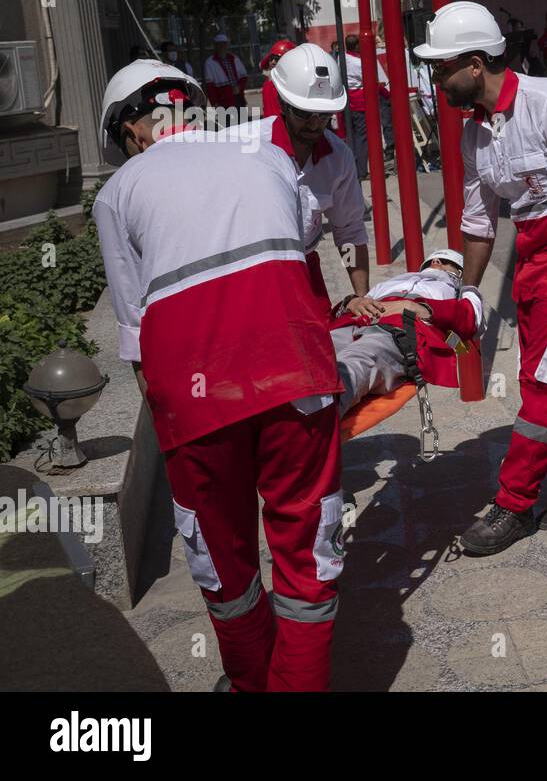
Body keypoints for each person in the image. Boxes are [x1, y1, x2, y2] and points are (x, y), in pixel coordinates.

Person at [94, 59, 345, 692]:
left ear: (131, 129)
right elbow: (298, 250)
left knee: (224, 564)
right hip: (297, 373)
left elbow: (134, 333)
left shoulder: (116, 195)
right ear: (194, 107)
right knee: (308, 556)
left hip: (196, 395)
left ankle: (250, 682)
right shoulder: (269, 156)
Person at [414, 0, 547, 555]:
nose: (436, 80)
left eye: (441, 68)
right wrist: (468, 296)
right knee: (543, 378)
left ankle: (514, 503)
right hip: (530, 260)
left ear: (476, 64)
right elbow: (480, 226)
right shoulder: (473, 136)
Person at [266, 43, 375, 322]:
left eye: (324, 115)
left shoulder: (339, 158)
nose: (314, 124)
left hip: (306, 272)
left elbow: (349, 231)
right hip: (256, 274)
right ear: (282, 104)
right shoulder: (246, 146)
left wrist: (360, 293)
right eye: (304, 113)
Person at [329, 249, 484, 415]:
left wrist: (418, 308)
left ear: (460, 273)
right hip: (354, 321)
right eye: (432, 260)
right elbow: (336, 313)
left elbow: (468, 326)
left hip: (398, 330)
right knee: (314, 355)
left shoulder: (455, 293)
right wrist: (351, 301)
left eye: (446, 262)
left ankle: (320, 415)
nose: (436, 262)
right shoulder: (392, 282)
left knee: (354, 363)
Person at [344, 33, 396, 179]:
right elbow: (372, 81)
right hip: (360, 102)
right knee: (362, 138)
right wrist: (387, 94)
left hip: (349, 102)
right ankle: (361, 171)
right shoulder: (358, 63)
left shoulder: (342, 59)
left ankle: (354, 168)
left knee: (353, 137)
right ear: (356, 46)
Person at [202, 33, 248, 110]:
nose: (222, 47)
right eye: (219, 44)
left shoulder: (234, 58)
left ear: (227, 45)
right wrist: (215, 103)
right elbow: (210, 86)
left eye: (224, 44)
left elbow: (244, 77)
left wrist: (239, 87)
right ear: (215, 46)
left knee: (243, 121)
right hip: (222, 102)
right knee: (226, 121)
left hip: (238, 99)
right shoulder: (210, 62)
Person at [258, 40, 296, 119]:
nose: (273, 62)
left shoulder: (291, 84)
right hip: (270, 128)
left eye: (277, 58)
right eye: (271, 58)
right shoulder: (268, 82)